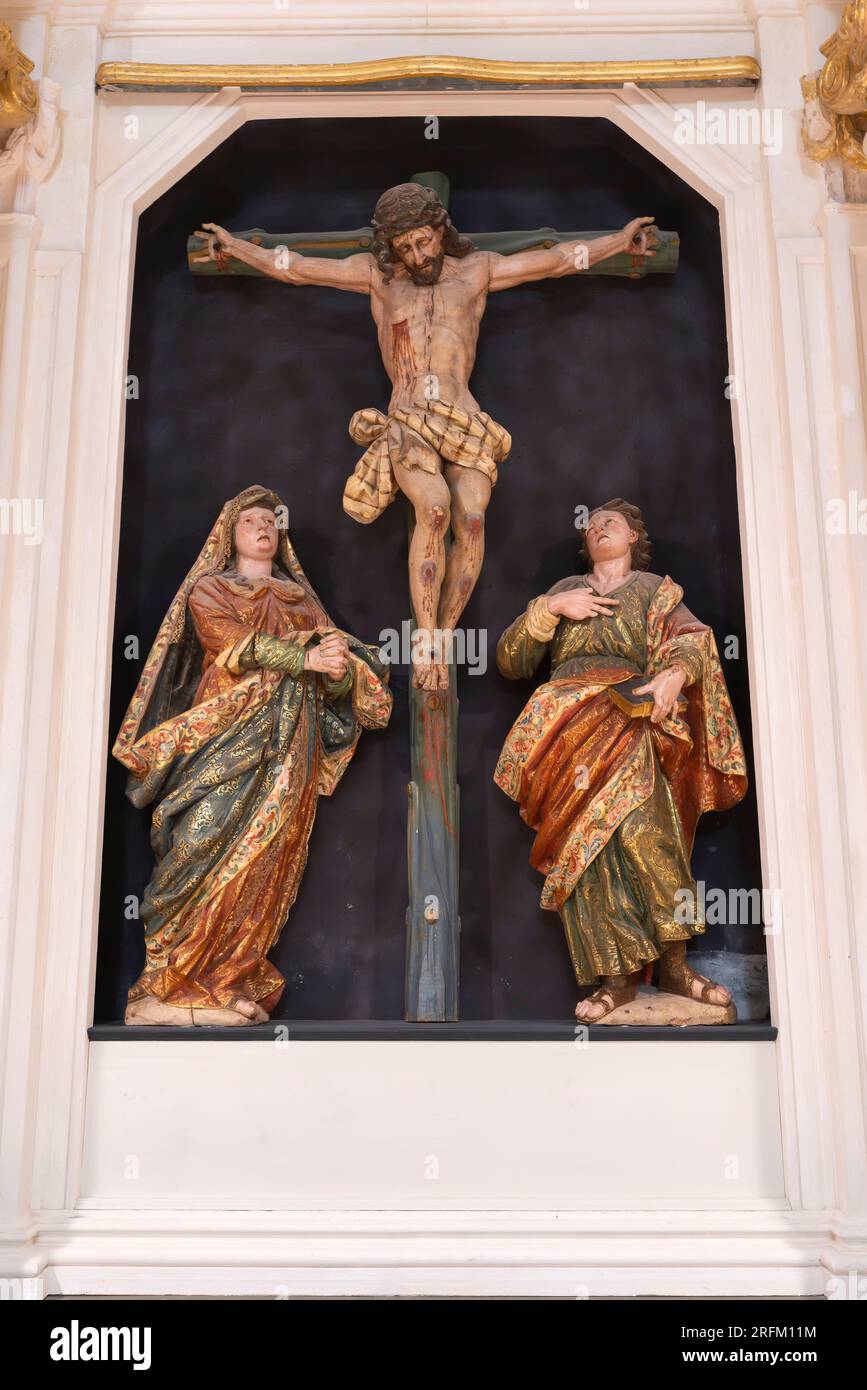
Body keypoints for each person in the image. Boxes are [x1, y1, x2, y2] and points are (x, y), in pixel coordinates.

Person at [197, 185, 658, 689]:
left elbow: (555, 262)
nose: (417, 256)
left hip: (464, 419)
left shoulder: (476, 271)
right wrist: (237, 248)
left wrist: (620, 241)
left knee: (474, 519)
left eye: (424, 242)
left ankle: (444, 633)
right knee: (434, 508)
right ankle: (427, 640)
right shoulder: (378, 279)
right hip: (411, 420)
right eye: (405, 248)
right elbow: (299, 267)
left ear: (441, 231)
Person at [113, 485, 391, 1026]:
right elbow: (229, 644)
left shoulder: (301, 602)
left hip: (290, 748)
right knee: (199, 841)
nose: (263, 528)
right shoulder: (210, 589)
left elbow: (329, 685)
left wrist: (337, 671)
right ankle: (162, 986)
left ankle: (223, 979)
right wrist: (306, 657)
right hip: (225, 732)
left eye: (271, 521)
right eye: (250, 522)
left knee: (268, 858)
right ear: (230, 535)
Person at [494, 499, 748, 1023]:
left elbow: (694, 641)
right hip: (563, 726)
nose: (597, 528)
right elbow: (511, 658)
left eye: (611, 522)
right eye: (591, 524)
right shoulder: (565, 590)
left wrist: (674, 675)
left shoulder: (654, 590)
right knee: (587, 848)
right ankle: (615, 978)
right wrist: (549, 610)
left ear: (635, 537)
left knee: (648, 828)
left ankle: (676, 963)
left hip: (627, 714)